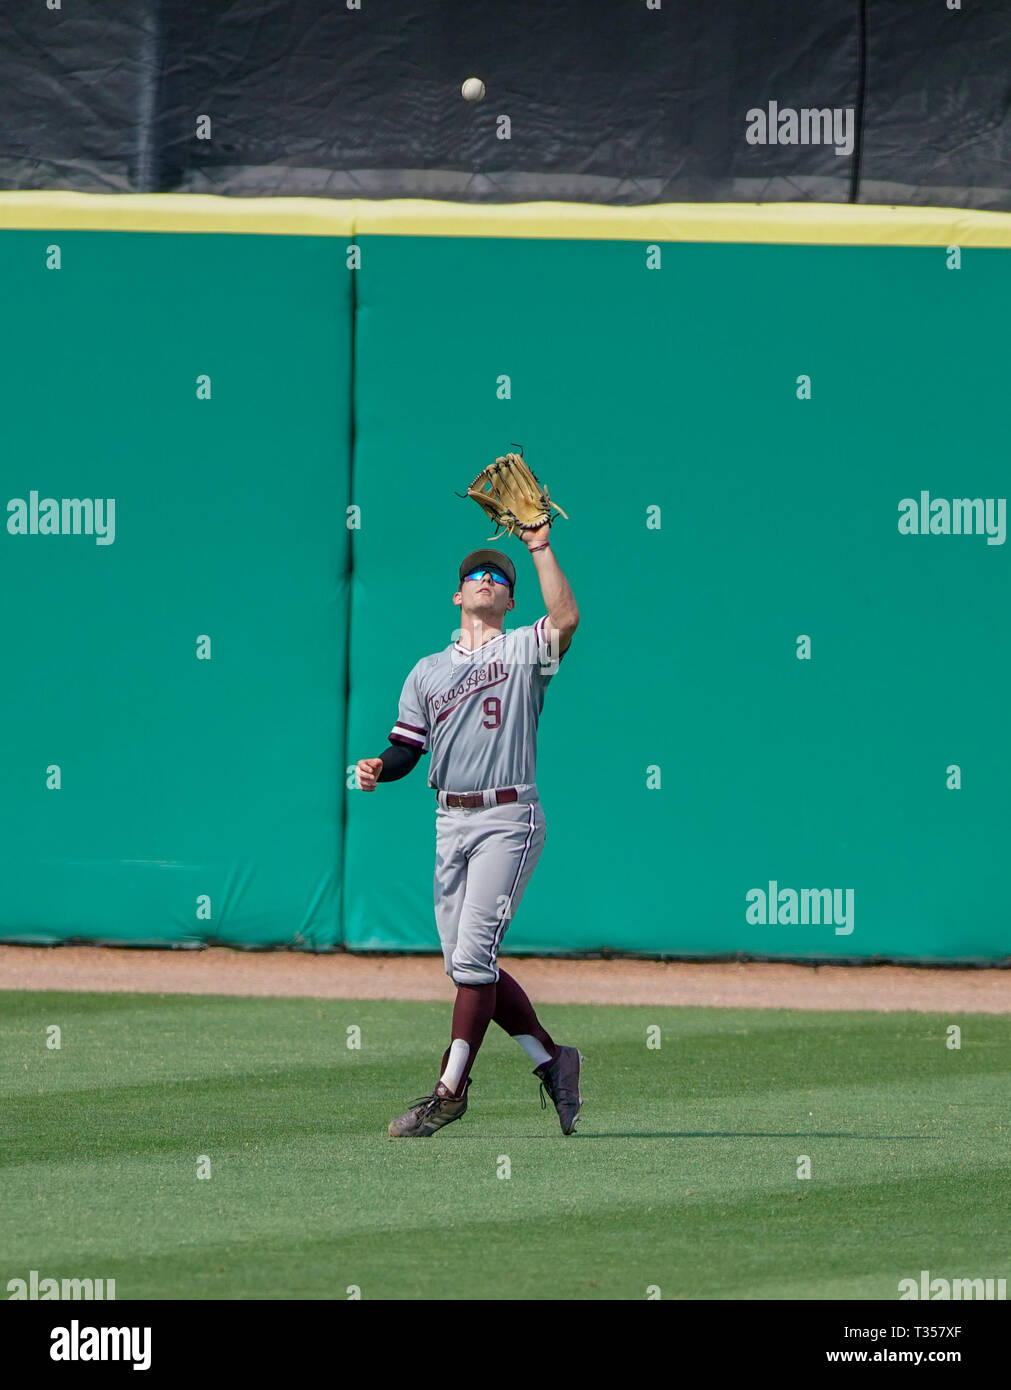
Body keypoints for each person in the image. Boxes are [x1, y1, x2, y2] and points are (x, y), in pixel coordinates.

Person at [355, 522, 583, 1138]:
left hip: (509, 816)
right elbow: (406, 747)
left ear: (511, 601)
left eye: (498, 579)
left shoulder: (524, 651)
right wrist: (382, 766)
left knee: (475, 955)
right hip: (448, 818)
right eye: (475, 576)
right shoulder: (426, 670)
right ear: (457, 596)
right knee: (465, 965)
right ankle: (551, 1060)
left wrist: (537, 546)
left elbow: (566, 616)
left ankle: (449, 1091)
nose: (486, 580)